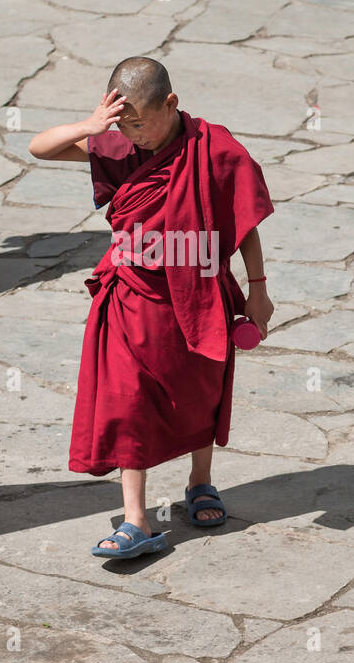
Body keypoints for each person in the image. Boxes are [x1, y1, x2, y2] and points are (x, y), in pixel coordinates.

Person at [28, 57, 274, 558]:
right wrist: (93, 127)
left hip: (200, 289)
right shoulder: (117, 143)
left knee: (199, 390)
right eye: (125, 123)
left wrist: (259, 287)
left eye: (142, 121)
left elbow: (243, 221)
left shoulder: (216, 149)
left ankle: (200, 481)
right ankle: (136, 520)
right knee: (128, 402)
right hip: (132, 294)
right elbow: (40, 148)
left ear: (171, 103)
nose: (135, 133)